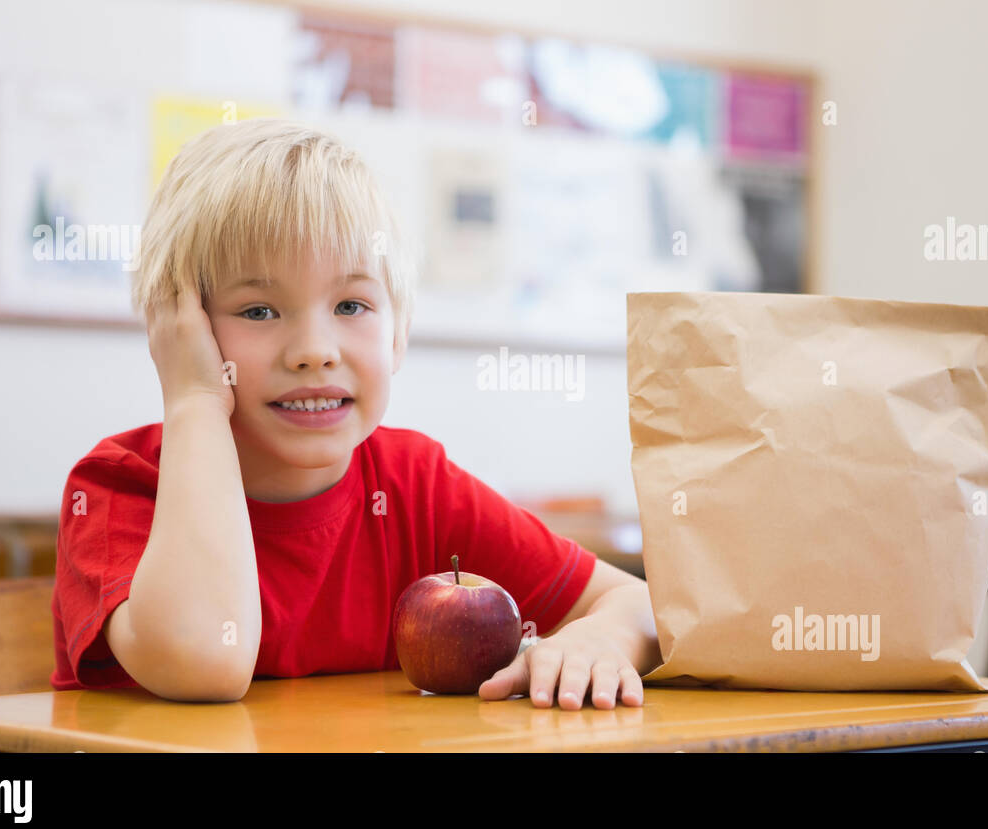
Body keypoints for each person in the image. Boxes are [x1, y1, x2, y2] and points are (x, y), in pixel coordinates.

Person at [50, 118, 660, 710]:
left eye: (351, 304)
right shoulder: (117, 487)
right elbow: (205, 660)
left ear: (398, 333)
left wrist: (596, 639)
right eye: (259, 311)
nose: (315, 350)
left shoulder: (413, 484)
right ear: (176, 331)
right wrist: (195, 400)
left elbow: (640, 605)